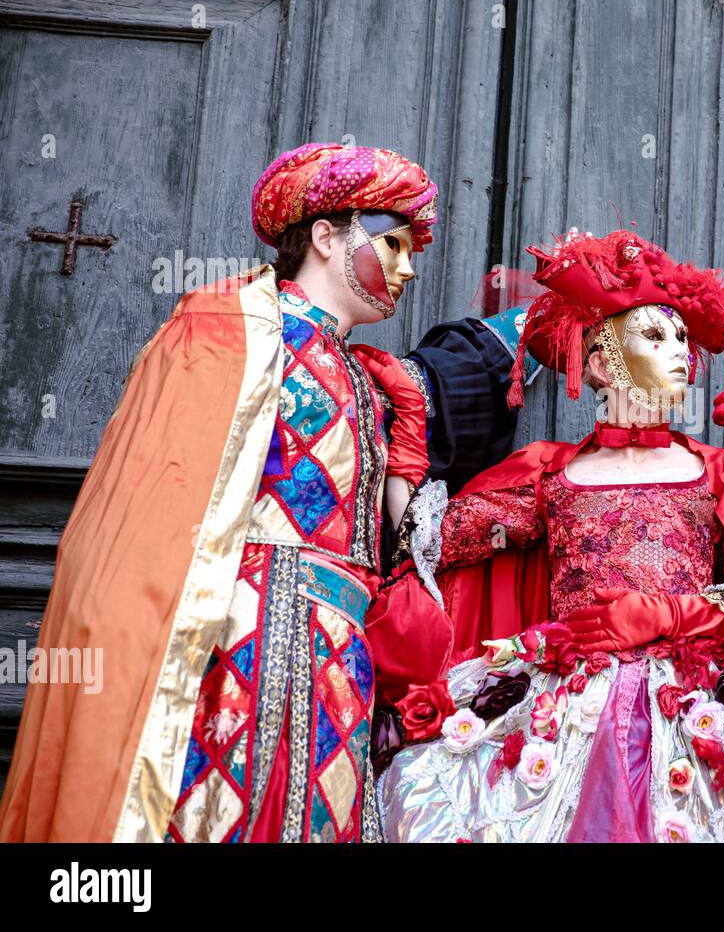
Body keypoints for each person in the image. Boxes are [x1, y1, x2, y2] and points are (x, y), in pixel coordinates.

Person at [0, 142, 533, 842]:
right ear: (323, 235)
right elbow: (160, 501)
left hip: (339, 653)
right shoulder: (230, 331)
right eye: (394, 243)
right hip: (233, 635)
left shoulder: (376, 383)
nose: (407, 268)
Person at [374, 228, 724, 842]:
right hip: (563, 708)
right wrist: (401, 432)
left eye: (681, 338)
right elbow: (427, 545)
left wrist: (670, 613)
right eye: (653, 334)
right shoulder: (549, 474)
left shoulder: (723, 475)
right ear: (597, 362)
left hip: (696, 709)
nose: (679, 353)